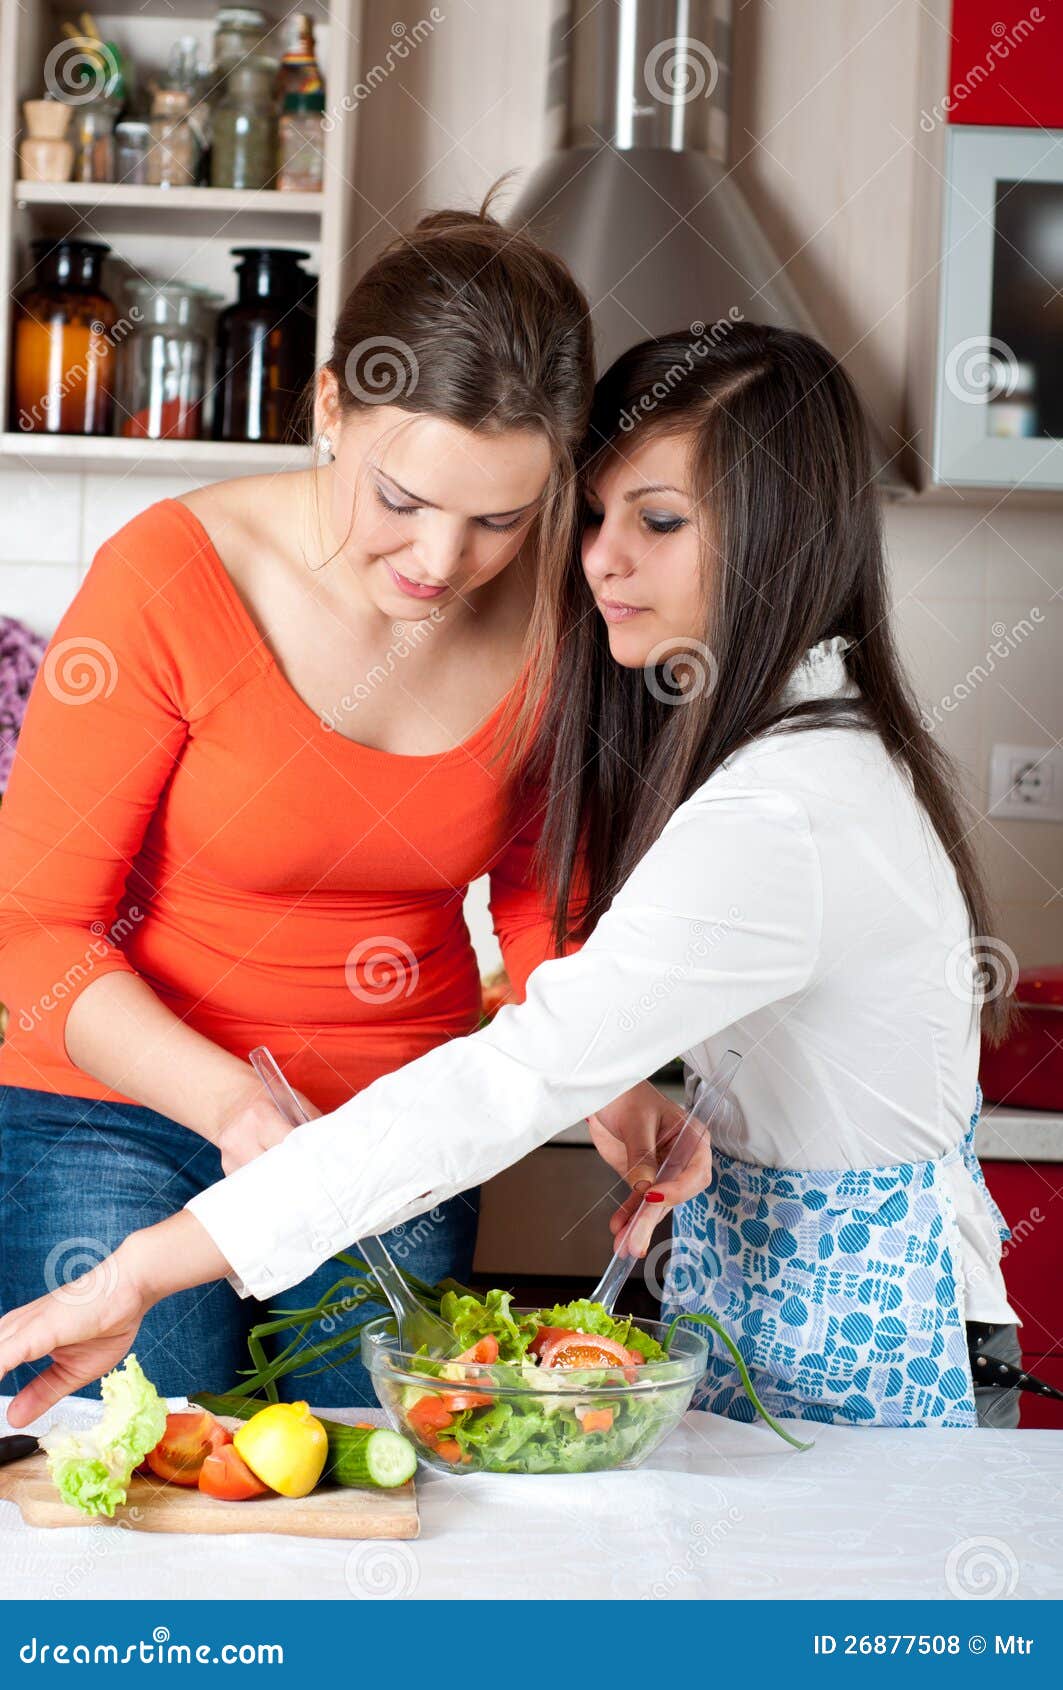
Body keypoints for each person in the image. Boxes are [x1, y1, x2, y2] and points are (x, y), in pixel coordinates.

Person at [0, 323, 1019, 1430]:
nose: (595, 561)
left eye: (658, 520)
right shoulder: (804, 758)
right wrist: (617, 1073)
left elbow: (517, 1071)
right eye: (592, 516)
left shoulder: (784, 805)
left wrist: (140, 1271)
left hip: (861, 1361)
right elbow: (34, 924)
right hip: (805, 1335)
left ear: (782, 533)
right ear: (333, 410)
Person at [0, 204, 677, 1406]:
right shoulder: (168, 578)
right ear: (328, 407)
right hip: (117, 1112)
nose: (441, 559)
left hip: (397, 1123)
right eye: (403, 498)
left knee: (374, 1485)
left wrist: (609, 1073)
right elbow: (33, 931)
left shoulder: (557, 611)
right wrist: (234, 1105)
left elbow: (538, 893)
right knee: (145, 1475)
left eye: (501, 520)